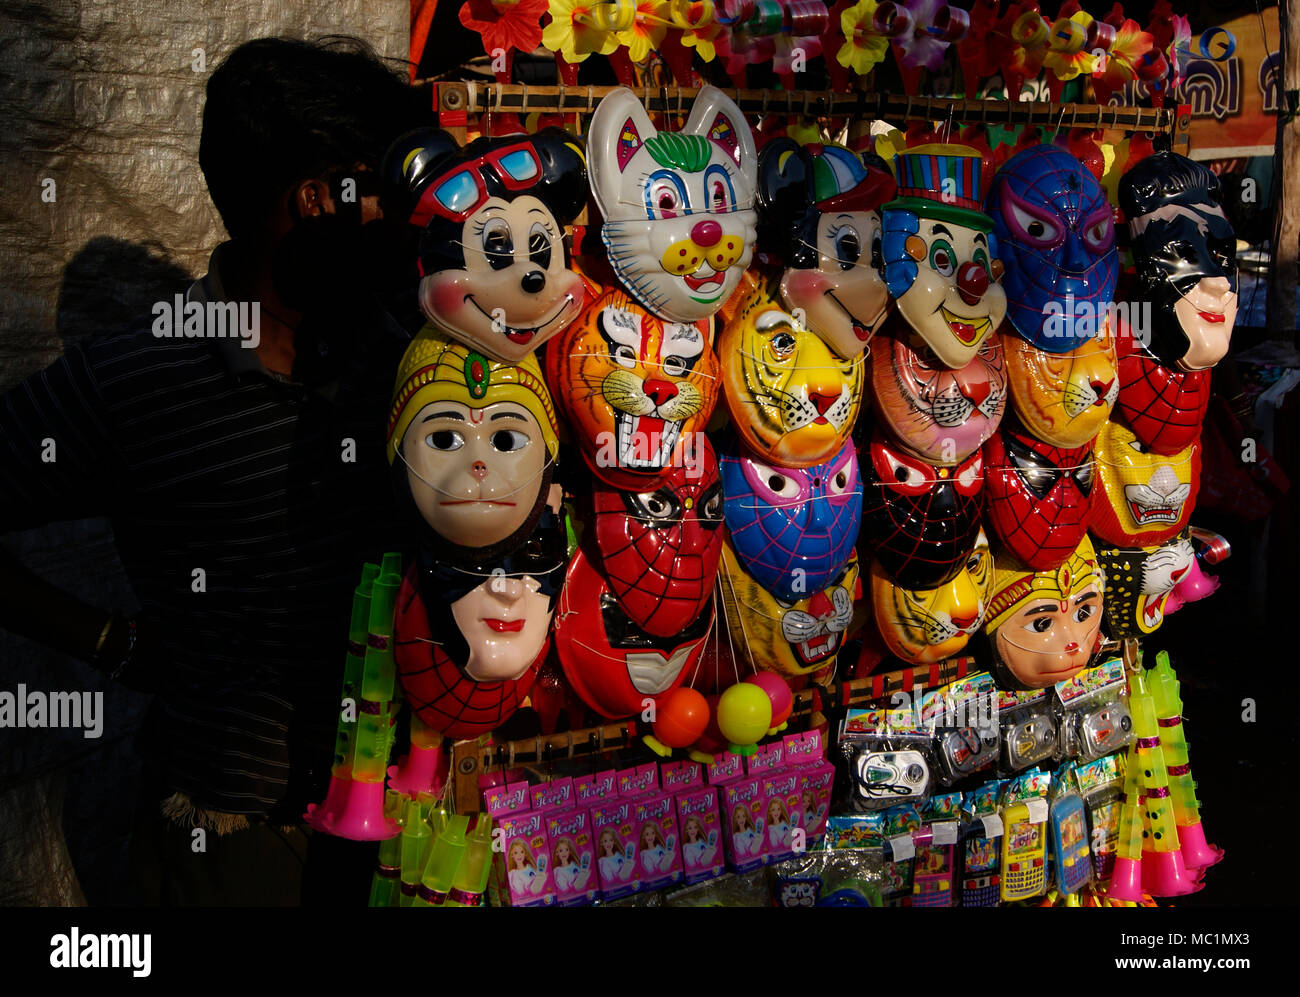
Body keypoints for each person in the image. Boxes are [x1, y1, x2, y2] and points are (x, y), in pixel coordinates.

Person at [0, 36, 431, 905]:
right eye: (382, 185)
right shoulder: (135, 379)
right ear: (316, 200)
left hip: (406, 835)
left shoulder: (412, 359)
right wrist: (110, 643)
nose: (408, 212)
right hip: (232, 851)